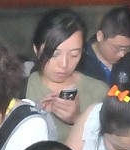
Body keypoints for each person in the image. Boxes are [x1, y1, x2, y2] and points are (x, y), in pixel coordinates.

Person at [26, 8, 110, 142]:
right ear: (36, 50)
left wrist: (77, 119)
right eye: (54, 54)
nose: (64, 64)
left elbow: (109, 146)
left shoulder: (98, 91)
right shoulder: (21, 88)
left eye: (74, 54)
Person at [78, 7, 130, 85]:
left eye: (127, 48)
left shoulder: (129, 63)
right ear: (100, 36)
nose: (122, 54)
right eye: (117, 48)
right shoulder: (80, 61)